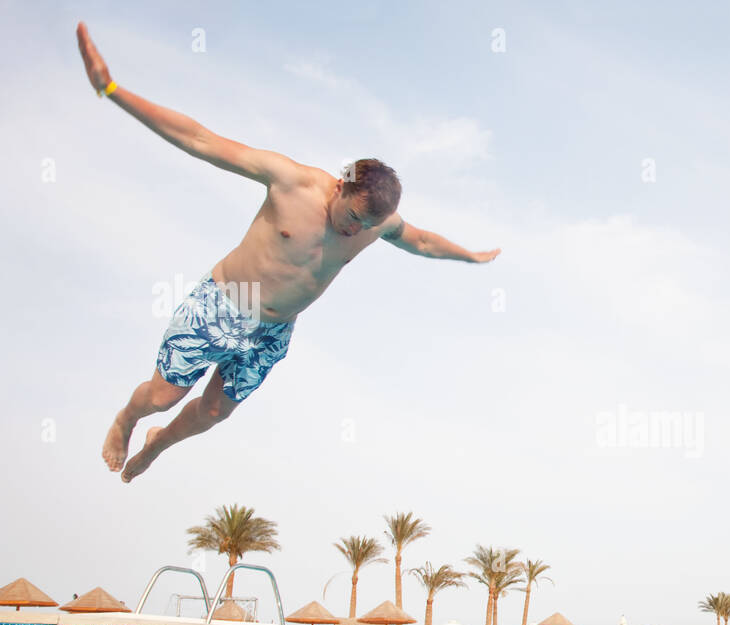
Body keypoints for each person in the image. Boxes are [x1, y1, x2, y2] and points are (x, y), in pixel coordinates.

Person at [76, 24, 501, 482]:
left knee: (216, 412)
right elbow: (199, 140)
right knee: (162, 396)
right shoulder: (290, 181)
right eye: (352, 216)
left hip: (273, 331)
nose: (353, 230)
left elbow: (421, 241)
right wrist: (113, 90)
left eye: (367, 226)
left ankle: (159, 443)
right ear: (341, 186)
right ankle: (127, 420)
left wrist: (469, 257)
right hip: (223, 302)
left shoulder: (378, 225)